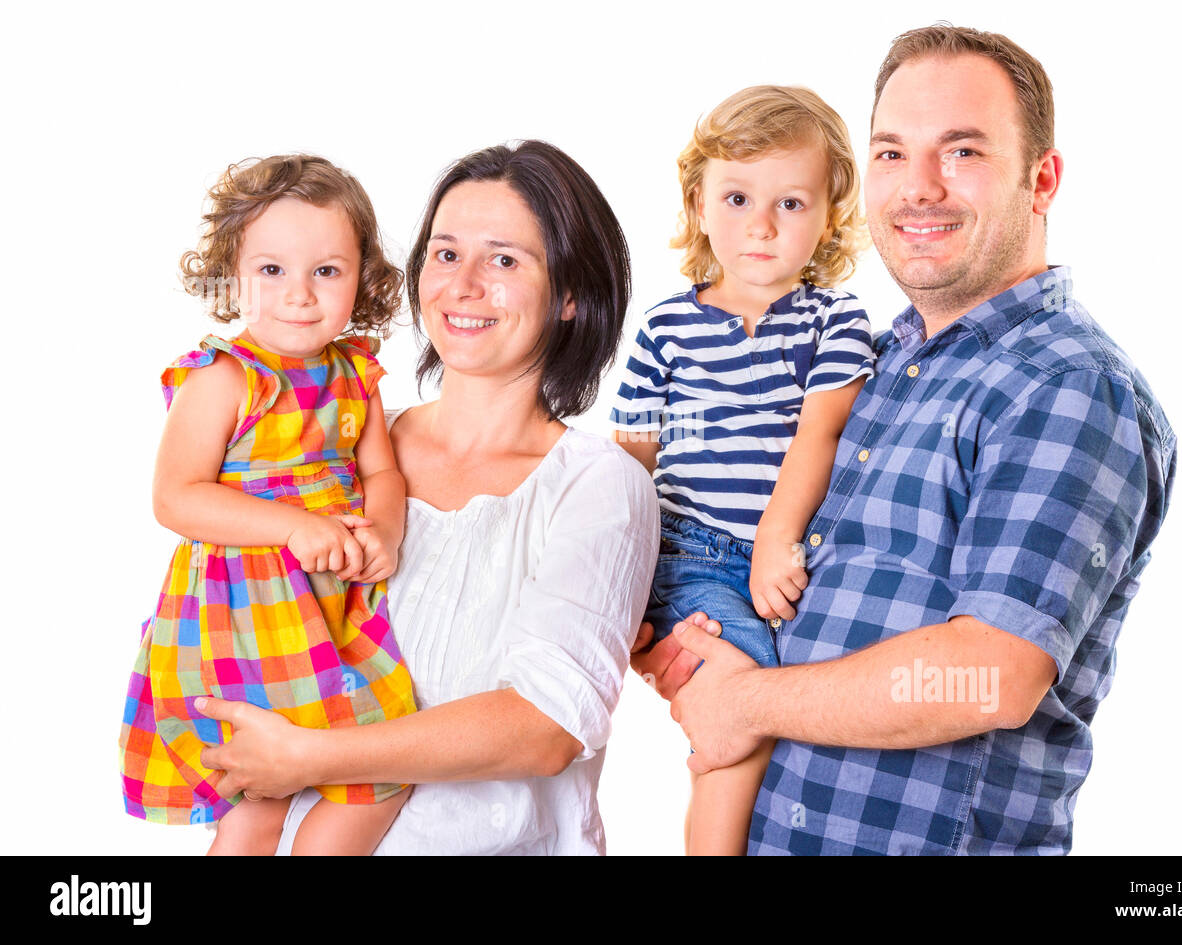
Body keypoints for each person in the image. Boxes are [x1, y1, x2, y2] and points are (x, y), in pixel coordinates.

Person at [635, 24, 1177, 855]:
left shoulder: (1067, 384)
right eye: (892, 153)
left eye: (962, 151)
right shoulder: (875, 362)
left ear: (1042, 179)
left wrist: (747, 702)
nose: (919, 187)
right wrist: (694, 638)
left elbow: (993, 673)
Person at [192, 140, 659, 855]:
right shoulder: (337, 450)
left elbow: (546, 728)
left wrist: (308, 758)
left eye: (504, 261)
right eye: (445, 254)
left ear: (571, 295)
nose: (462, 285)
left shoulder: (597, 485)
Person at [118, 154, 418, 855]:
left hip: (330, 608)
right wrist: (293, 526)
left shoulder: (356, 375)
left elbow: (382, 470)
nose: (300, 295)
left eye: (327, 270)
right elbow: (175, 496)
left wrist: (385, 530)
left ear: (363, 277)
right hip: (240, 616)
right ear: (231, 275)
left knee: (376, 773)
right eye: (272, 270)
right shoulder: (224, 377)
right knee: (257, 798)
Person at [610, 86, 875, 855]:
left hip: (784, 555)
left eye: (791, 202)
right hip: (689, 553)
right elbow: (628, 463)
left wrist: (775, 539)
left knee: (805, 715)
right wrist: (615, 588)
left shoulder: (835, 320)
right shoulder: (666, 328)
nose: (761, 224)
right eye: (736, 198)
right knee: (743, 704)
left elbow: (819, 434)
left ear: (830, 214)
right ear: (699, 204)